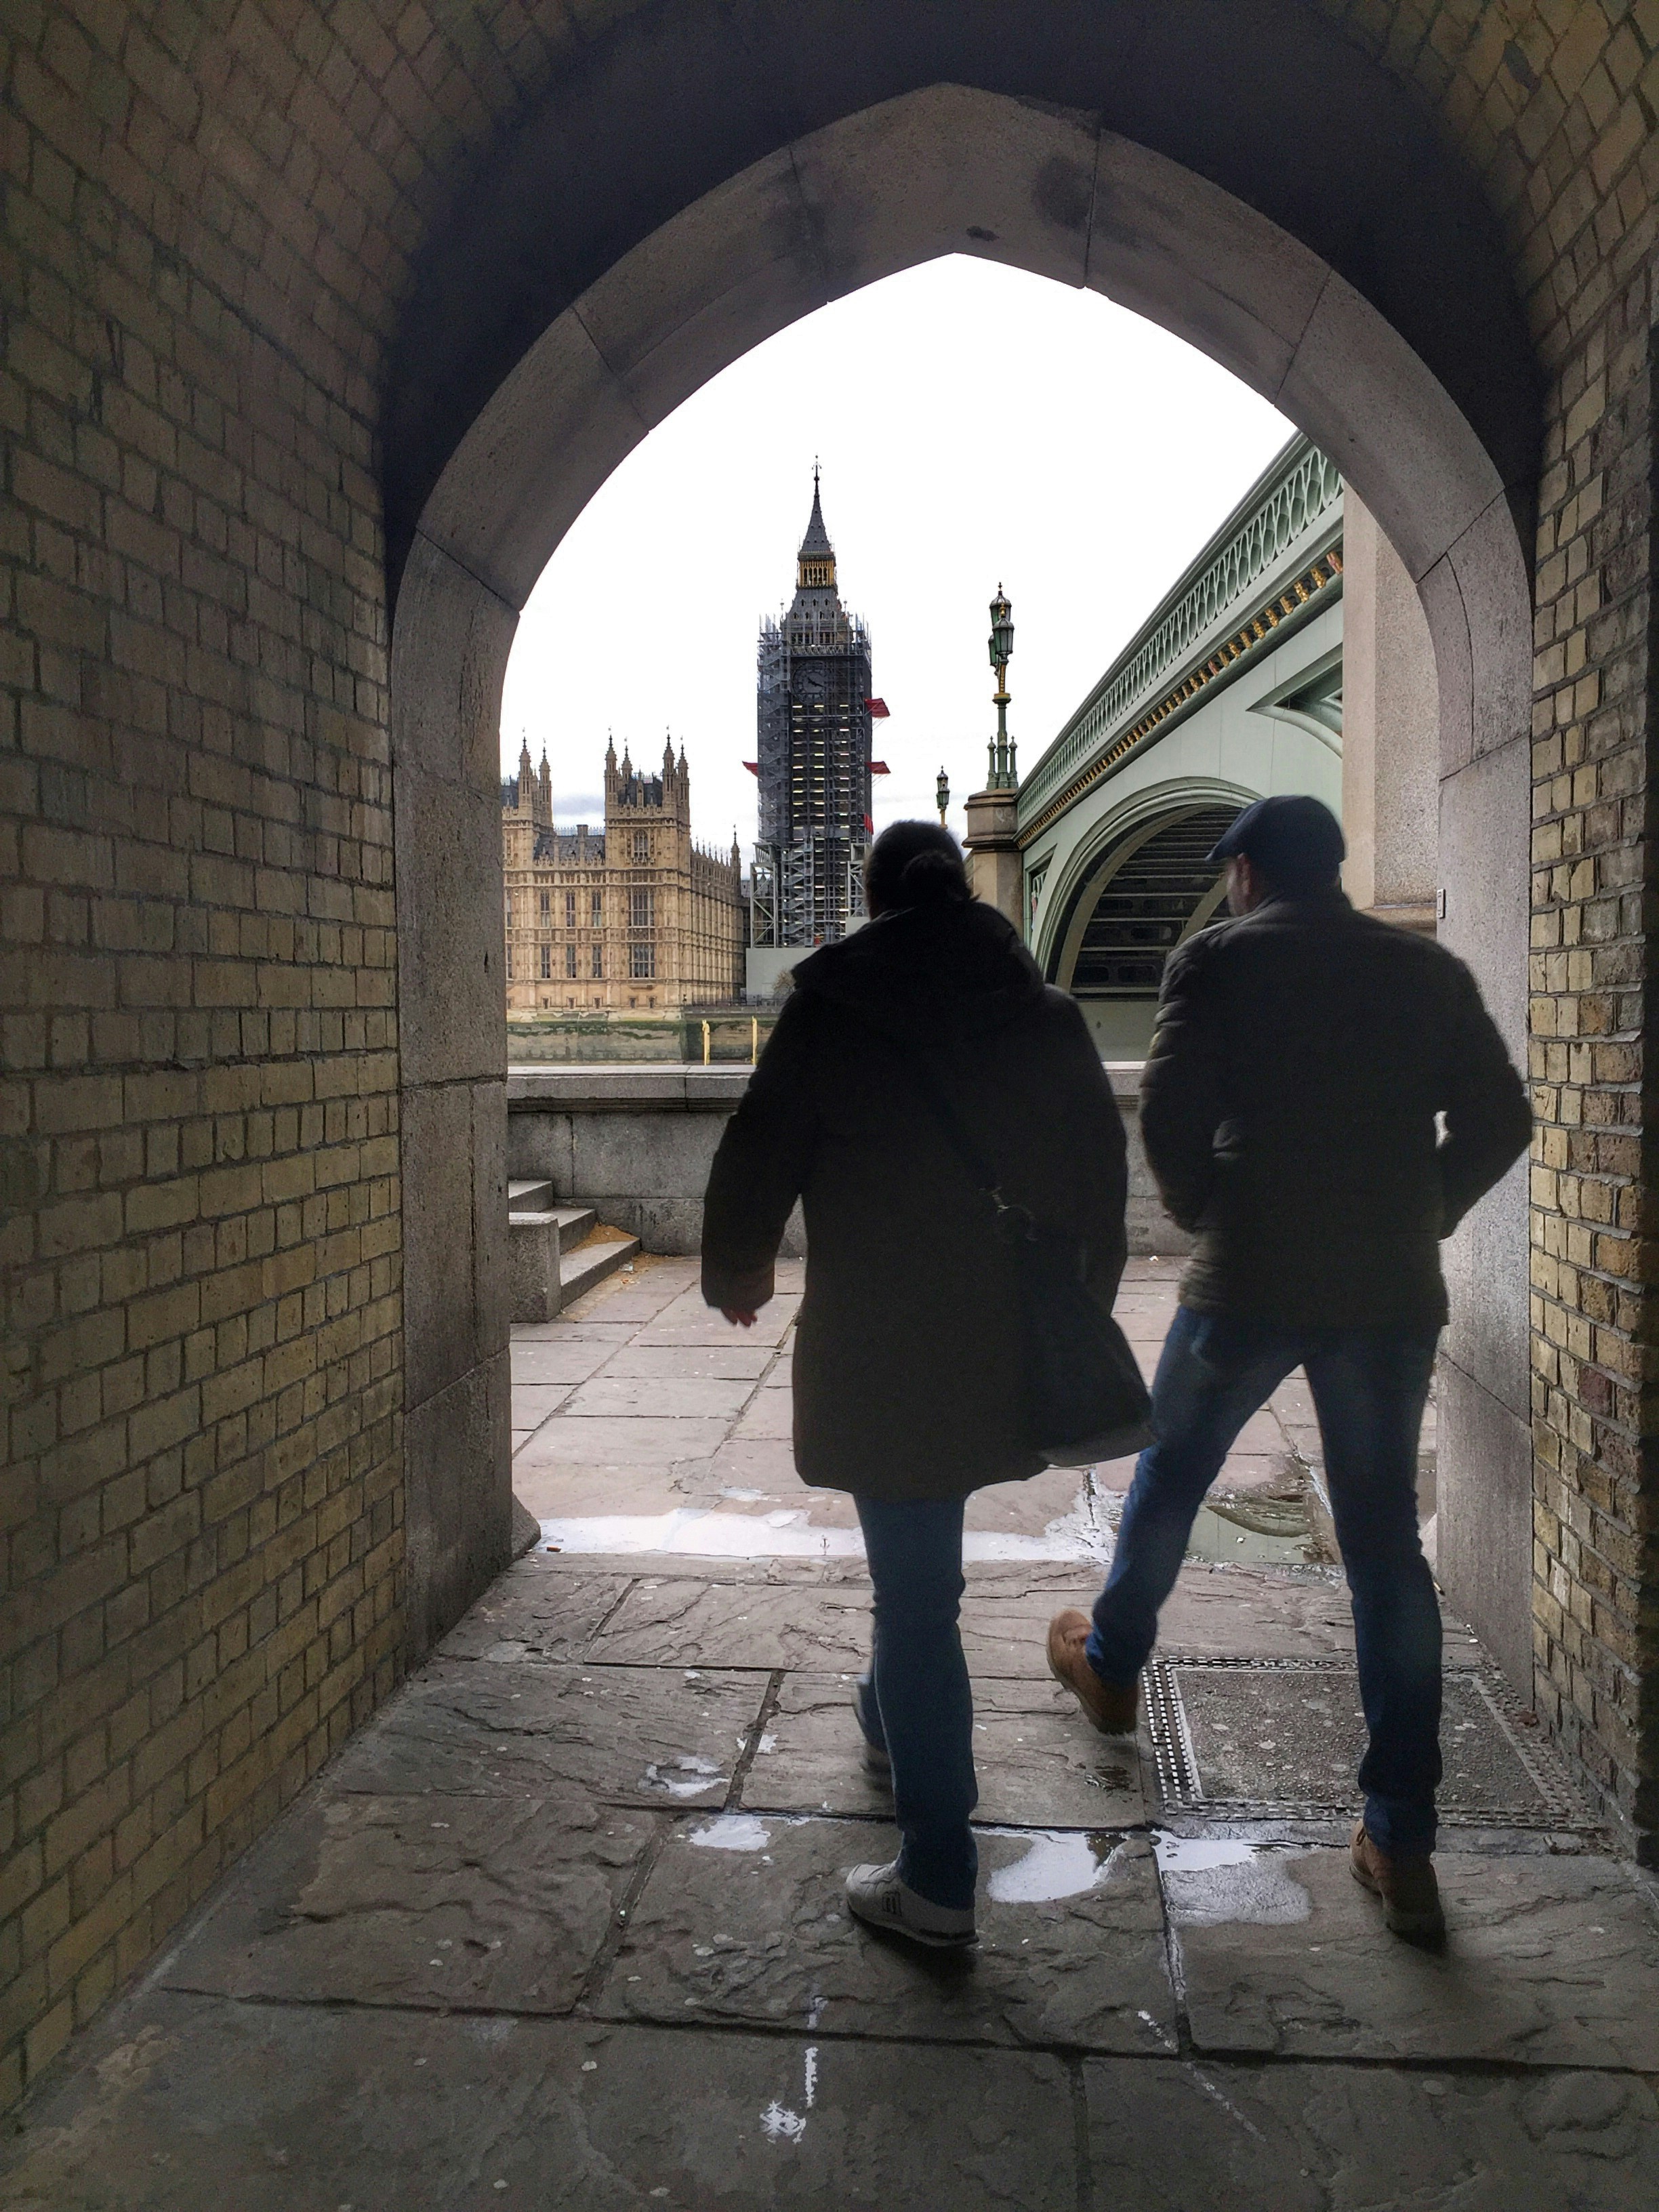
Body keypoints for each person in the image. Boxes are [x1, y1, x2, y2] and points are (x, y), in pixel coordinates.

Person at [1046, 794, 1532, 1939]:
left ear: (1252, 873)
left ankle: (1113, 1666)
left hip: (1250, 1275)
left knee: (1170, 1475)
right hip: (1385, 1289)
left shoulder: (1214, 962)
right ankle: (1399, 1836)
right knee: (1381, 1548)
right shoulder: (1428, 972)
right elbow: (1503, 1117)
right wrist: (1426, 1211)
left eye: (1230, 872)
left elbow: (1164, 1118)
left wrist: (1215, 1208)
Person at [701, 821, 1129, 1948]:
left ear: (879, 903)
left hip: (879, 1340)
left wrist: (739, 1270)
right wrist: (1083, 1299)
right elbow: (1099, 1179)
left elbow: (757, 1147)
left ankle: (939, 1876)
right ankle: (888, 1725)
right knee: (918, 1579)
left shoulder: (834, 1009)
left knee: (919, 1599)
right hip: (995, 1339)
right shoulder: (1044, 1018)